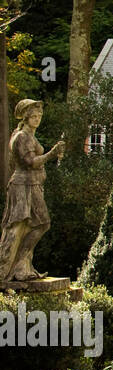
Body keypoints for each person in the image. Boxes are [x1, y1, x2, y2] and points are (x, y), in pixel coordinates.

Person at [0, 99, 65, 282]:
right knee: (19, 225)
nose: (37, 119)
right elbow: (30, 162)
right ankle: (8, 267)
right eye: (34, 116)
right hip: (23, 186)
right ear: (26, 117)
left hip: (32, 185)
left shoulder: (28, 136)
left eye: (39, 116)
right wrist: (52, 154)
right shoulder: (21, 136)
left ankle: (21, 265)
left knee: (40, 223)